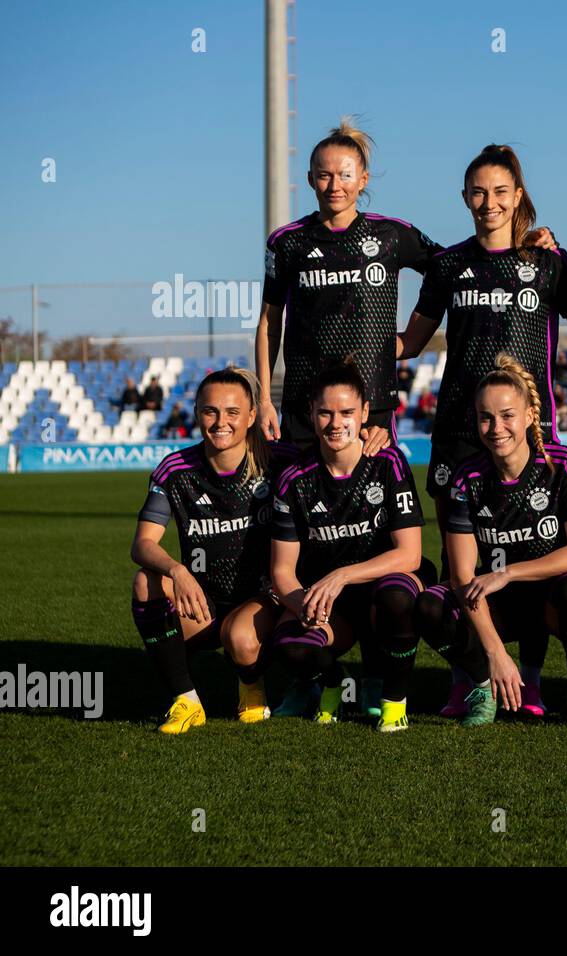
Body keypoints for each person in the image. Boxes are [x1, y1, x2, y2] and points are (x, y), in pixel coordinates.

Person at [397, 144, 567, 718]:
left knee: (535, 548)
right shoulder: (447, 266)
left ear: (518, 197)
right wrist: (351, 355)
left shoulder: (547, 265)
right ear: (465, 198)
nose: (489, 203)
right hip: (459, 433)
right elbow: (409, 344)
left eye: (501, 192)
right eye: (478, 193)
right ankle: (472, 677)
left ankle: (530, 681)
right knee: (463, 557)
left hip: (525, 434)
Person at [415, 355, 567, 727]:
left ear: (530, 415)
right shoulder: (466, 477)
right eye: (486, 417)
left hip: (550, 599)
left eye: (507, 415)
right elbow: (462, 575)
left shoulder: (561, 464)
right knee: (429, 606)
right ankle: (483, 687)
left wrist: (509, 573)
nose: (496, 427)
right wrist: (495, 653)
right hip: (498, 605)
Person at [257, 117, 441, 456]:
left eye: (345, 174)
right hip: (304, 403)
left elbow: (452, 269)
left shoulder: (391, 235)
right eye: (324, 175)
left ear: (363, 179)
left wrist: (413, 340)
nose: (334, 185)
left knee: (368, 505)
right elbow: (269, 321)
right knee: (300, 505)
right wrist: (265, 399)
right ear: (310, 179)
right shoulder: (287, 242)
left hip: (371, 403)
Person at [130, 368, 298, 733]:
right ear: (196, 413)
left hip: (261, 598)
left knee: (239, 638)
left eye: (232, 412)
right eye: (210, 411)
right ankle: (186, 700)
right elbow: (142, 543)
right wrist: (176, 570)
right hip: (201, 601)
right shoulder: (175, 470)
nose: (221, 422)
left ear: (252, 416)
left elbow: (335, 456)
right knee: (147, 582)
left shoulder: (279, 459)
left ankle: (252, 686)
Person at [270, 363, 432, 730]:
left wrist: (342, 575)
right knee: (293, 646)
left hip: (380, 590)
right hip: (331, 605)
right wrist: (305, 607)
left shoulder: (388, 462)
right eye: (325, 412)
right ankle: (333, 684)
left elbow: (409, 554)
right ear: (311, 412)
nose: (335, 422)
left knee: (398, 597)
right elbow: (281, 571)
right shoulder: (294, 479)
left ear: (363, 413)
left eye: (346, 412)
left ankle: (392, 699)